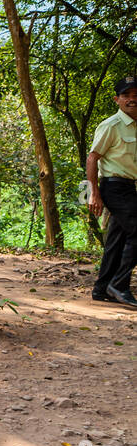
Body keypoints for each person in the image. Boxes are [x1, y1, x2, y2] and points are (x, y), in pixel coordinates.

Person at [87, 75, 137, 308]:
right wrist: (93, 193)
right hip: (113, 186)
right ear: (117, 99)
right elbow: (93, 158)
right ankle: (119, 284)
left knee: (117, 238)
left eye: (135, 95)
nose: (131, 99)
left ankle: (102, 288)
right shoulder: (110, 126)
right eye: (126, 95)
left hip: (129, 187)